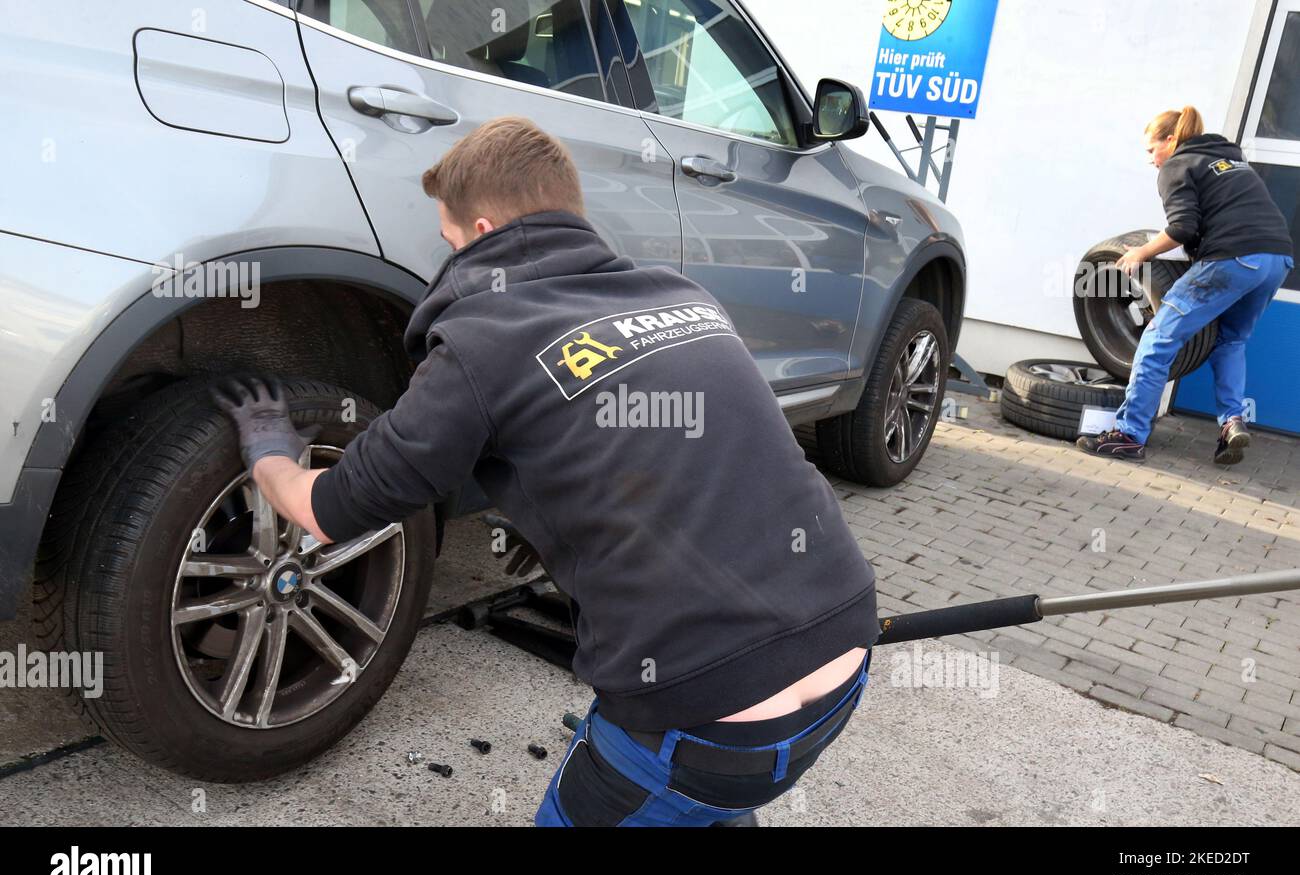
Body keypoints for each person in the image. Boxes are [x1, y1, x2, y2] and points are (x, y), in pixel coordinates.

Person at [215, 117, 878, 827]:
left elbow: (331, 509)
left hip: (705, 727)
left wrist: (270, 454)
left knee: (676, 788)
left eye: (450, 239)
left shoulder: (480, 344)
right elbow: (694, 458)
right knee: (709, 795)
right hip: (844, 651)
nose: (449, 251)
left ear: (478, 228)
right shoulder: (684, 297)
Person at [1077, 105, 1294, 465]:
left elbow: (1182, 228)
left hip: (1233, 258)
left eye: (1151, 149)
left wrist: (1142, 252)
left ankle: (1129, 435)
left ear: (1171, 140)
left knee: (1157, 340)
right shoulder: (1231, 162)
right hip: (1276, 260)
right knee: (1231, 339)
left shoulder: (1178, 165)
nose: (1150, 160)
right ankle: (1231, 423)